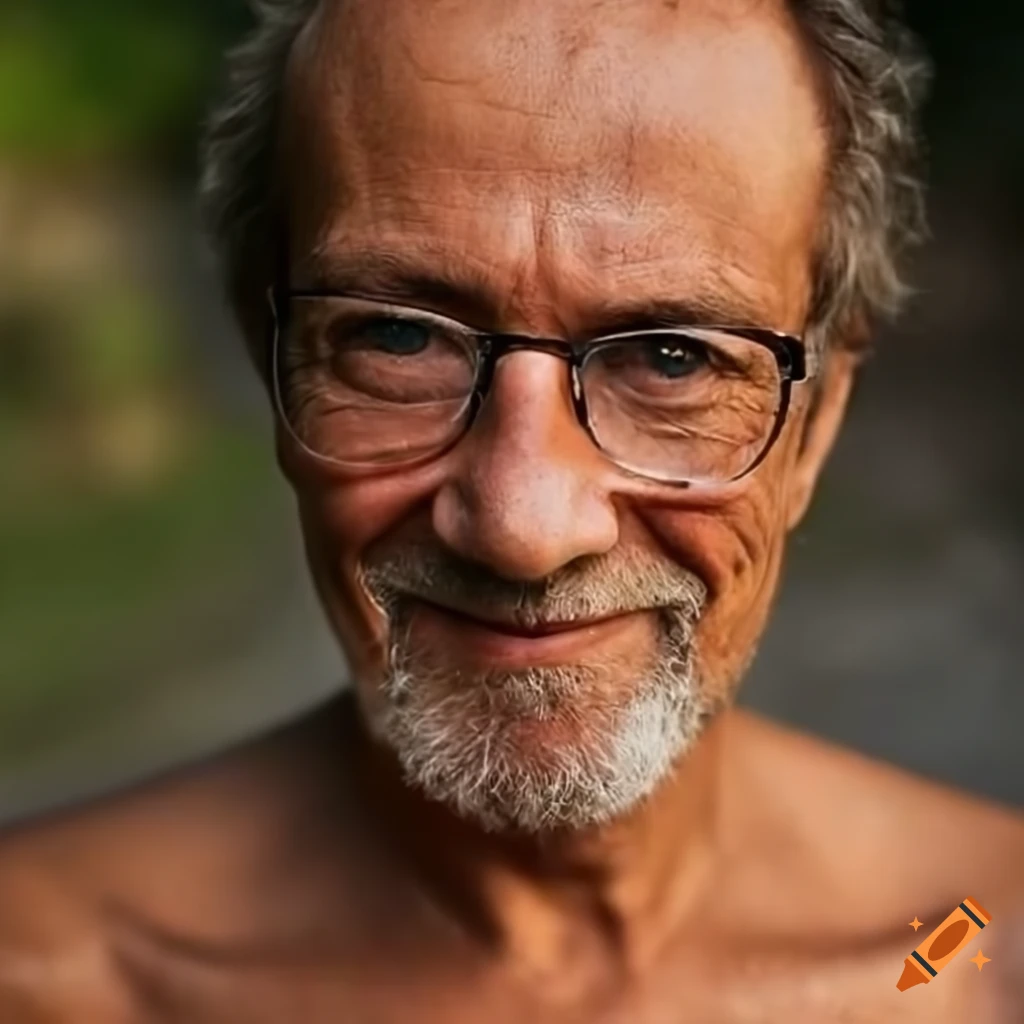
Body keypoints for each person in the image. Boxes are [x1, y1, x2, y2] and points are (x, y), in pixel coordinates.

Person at [1, 0, 1022, 1020]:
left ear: (817, 419)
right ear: (273, 371)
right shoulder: (44, 982)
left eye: (672, 358)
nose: (523, 528)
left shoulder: (983, 957)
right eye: (400, 339)